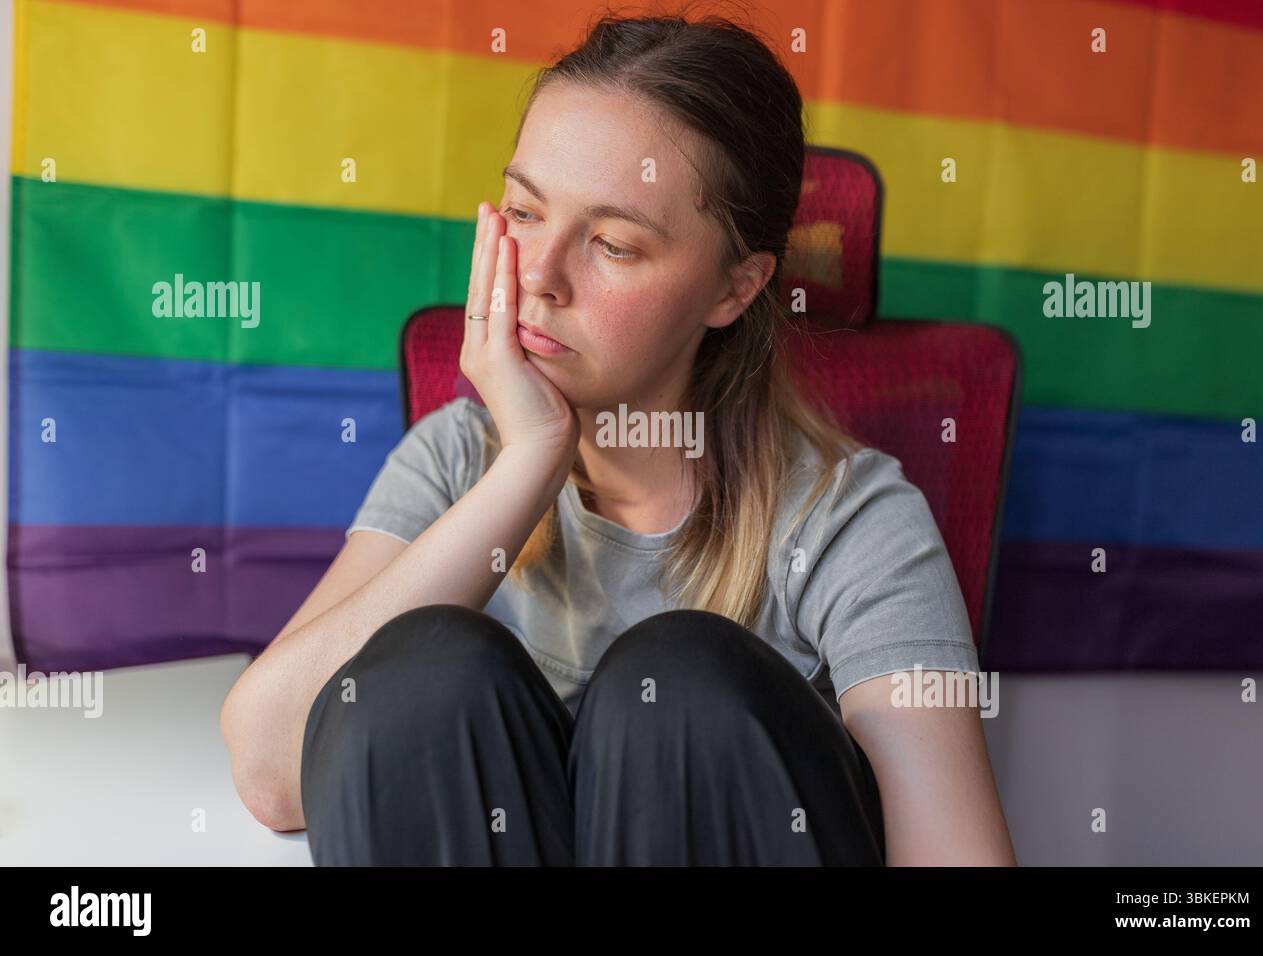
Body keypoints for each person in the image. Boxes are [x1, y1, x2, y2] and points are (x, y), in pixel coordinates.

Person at [219, 9, 1017, 867]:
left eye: (613, 244)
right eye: (523, 212)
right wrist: (528, 461)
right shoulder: (457, 456)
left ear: (736, 288)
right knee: (418, 670)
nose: (541, 277)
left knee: (679, 684)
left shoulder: (850, 521)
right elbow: (269, 767)